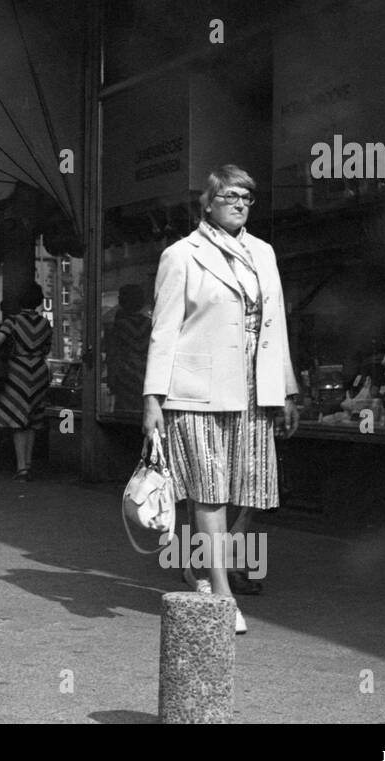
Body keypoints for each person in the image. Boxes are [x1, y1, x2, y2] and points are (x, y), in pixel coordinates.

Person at [142, 165, 301, 635]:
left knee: (245, 488)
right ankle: (221, 592)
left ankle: (204, 566)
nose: (239, 204)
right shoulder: (181, 255)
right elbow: (164, 330)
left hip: (254, 388)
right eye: (230, 196)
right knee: (208, 488)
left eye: (247, 198)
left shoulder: (263, 253)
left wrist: (287, 389)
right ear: (207, 203)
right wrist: (153, 399)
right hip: (195, 390)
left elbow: (277, 325)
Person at [0, 283, 53, 480]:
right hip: (39, 371)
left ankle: (21, 468)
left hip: (17, 371)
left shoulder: (13, 322)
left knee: (19, 420)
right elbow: (46, 349)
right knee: (33, 420)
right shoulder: (45, 324)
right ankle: (28, 463)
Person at [108, 284, 152, 412]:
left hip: (124, 380)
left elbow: (113, 355)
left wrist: (112, 380)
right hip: (144, 381)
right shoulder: (149, 324)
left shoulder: (118, 326)